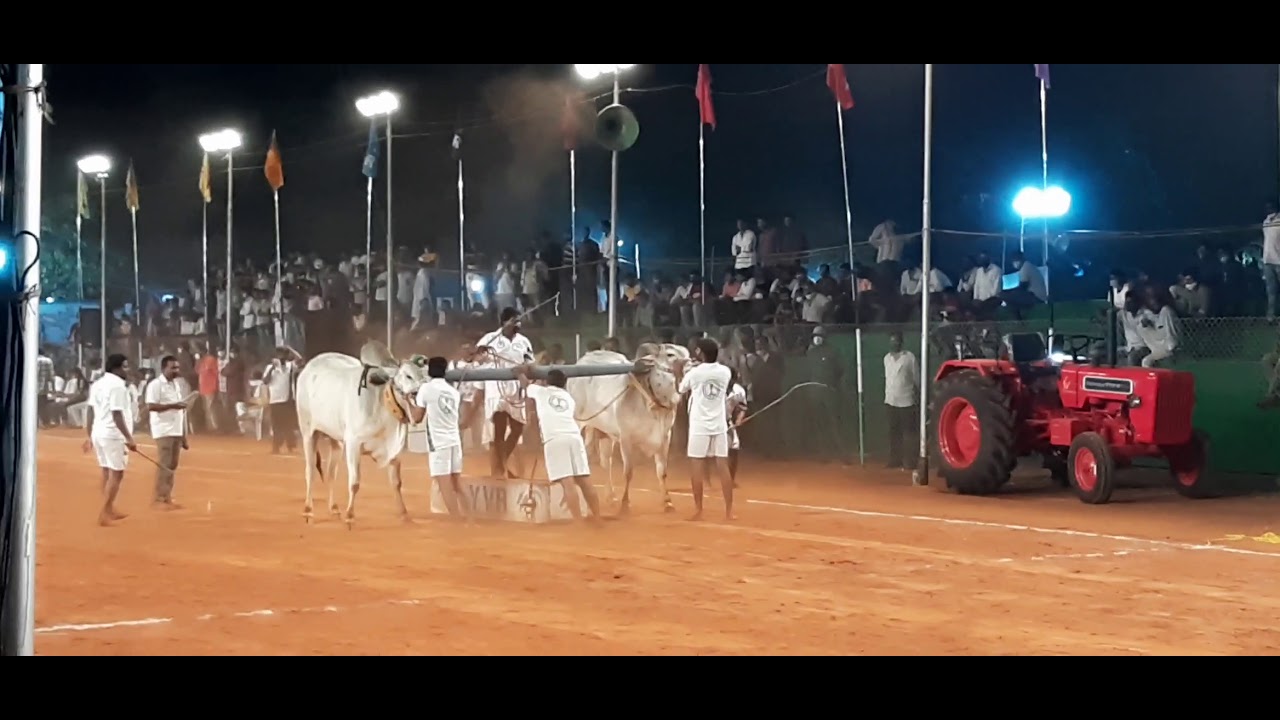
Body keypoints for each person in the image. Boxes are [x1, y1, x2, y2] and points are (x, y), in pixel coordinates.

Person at [517, 367, 602, 523]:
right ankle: (597, 518)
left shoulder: (541, 392)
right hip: (574, 437)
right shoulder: (569, 398)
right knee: (584, 480)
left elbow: (525, 384)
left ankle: (578, 522)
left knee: (567, 483)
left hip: (555, 439)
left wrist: (519, 372)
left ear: (547, 382)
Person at [676, 337, 735, 521]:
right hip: (718, 424)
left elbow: (681, 389)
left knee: (696, 466)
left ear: (700, 352)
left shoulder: (695, 373)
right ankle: (728, 511)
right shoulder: (725, 371)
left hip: (699, 425)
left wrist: (679, 371)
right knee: (722, 466)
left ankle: (699, 509)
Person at [408, 356, 471, 519]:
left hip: (438, 442)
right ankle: (470, 517)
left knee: (444, 484)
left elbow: (417, 417)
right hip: (455, 440)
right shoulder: (454, 392)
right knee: (457, 482)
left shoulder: (426, 389)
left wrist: (408, 400)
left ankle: (457, 519)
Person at [476, 307, 535, 478]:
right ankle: (499, 470)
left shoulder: (524, 341)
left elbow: (531, 362)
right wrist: (479, 354)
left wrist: (524, 368)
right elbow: (477, 359)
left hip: (516, 390)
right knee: (499, 430)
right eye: (515, 320)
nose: (519, 323)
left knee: (517, 429)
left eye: (519, 320)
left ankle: (501, 464)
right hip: (497, 390)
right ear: (505, 322)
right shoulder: (489, 338)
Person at [82, 353, 138, 526]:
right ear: (117, 368)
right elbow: (117, 414)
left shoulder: (98, 384)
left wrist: (89, 435)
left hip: (99, 432)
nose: (127, 370)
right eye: (125, 366)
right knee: (117, 474)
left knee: (106, 472)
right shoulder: (118, 387)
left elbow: (90, 410)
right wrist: (129, 438)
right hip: (113, 435)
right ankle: (105, 512)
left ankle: (109, 508)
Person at [143, 355, 191, 509]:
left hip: (176, 430)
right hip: (163, 430)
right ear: (164, 368)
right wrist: (173, 406)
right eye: (173, 367)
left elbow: (181, 411)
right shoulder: (155, 385)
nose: (176, 370)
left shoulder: (176, 385)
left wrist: (183, 435)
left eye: (177, 367)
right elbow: (151, 406)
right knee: (164, 464)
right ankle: (158, 499)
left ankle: (167, 497)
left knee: (172, 465)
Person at [883, 332, 920, 471]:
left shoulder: (909, 357)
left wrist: (920, 394)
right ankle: (894, 460)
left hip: (907, 400)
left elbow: (917, 378)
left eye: (896, 341)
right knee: (893, 432)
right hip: (890, 399)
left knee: (909, 433)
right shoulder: (886, 358)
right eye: (892, 341)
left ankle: (910, 461)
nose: (894, 343)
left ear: (901, 342)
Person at [262, 346, 303, 453]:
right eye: (280, 354)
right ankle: (276, 446)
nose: (282, 357)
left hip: (287, 399)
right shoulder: (270, 367)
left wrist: (291, 349)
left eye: (284, 354)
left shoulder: (289, 366)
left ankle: (291, 446)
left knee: (289, 424)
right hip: (275, 400)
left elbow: (300, 360)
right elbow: (265, 381)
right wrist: (272, 368)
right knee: (277, 425)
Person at [725, 368, 748, 487]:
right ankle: (705, 479)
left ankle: (730, 479)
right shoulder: (714, 388)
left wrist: (739, 419)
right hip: (710, 421)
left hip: (727, 421)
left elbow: (742, 408)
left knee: (734, 446)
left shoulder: (739, 391)